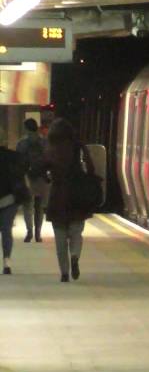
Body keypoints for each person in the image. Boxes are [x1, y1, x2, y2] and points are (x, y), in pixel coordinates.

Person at [44, 118, 96, 283]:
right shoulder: (79, 146)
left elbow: (40, 168)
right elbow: (91, 168)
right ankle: (74, 256)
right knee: (76, 232)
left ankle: (64, 273)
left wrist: (47, 178)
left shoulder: (51, 149)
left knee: (60, 238)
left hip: (57, 197)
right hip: (78, 197)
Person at [0, 128, 29, 275]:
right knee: (6, 231)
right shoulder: (13, 157)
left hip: (7, 198)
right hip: (9, 199)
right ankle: (6, 261)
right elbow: (20, 176)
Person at [15, 118, 49, 242]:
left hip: (27, 177)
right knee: (39, 207)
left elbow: (18, 161)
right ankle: (38, 234)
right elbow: (48, 159)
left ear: (26, 128)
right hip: (41, 176)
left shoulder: (22, 143)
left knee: (27, 206)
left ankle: (29, 232)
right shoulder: (44, 142)